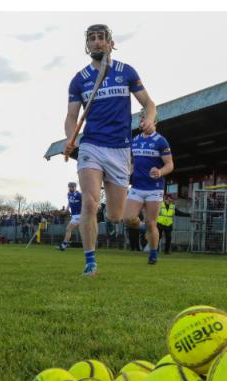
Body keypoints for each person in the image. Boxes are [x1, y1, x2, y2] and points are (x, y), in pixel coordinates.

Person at [64, 24, 157, 276]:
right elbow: (71, 117)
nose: (97, 42)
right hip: (91, 145)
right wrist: (71, 137)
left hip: (120, 149)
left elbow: (148, 103)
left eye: (101, 38)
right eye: (92, 38)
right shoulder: (79, 79)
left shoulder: (126, 72)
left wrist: (150, 119)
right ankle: (90, 261)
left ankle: (144, 227)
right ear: (87, 44)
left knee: (117, 216)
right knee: (90, 202)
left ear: (110, 42)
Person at [122, 109, 173, 264]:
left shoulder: (161, 141)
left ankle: (153, 253)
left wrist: (160, 171)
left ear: (154, 121)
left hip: (154, 189)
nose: (142, 121)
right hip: (137, 187)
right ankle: (143, 227)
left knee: (152, 223)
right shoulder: (135, 140)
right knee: (128, 219)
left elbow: (170, 165)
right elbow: (132, 163)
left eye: (145, 118)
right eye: (141, 118)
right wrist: (126, 175)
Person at [58, 182, 83, 251]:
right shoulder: (69, 194)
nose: (70, 188)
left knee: (68, 229)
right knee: (82, 231)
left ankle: (64, 245)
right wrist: (66, 210)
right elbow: (69, 203)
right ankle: (92, 244)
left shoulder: (79, 195)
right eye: (69, 187)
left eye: (71, 187)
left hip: (79, 215)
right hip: (74, 215)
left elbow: (84, 203)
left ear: (75, 187)